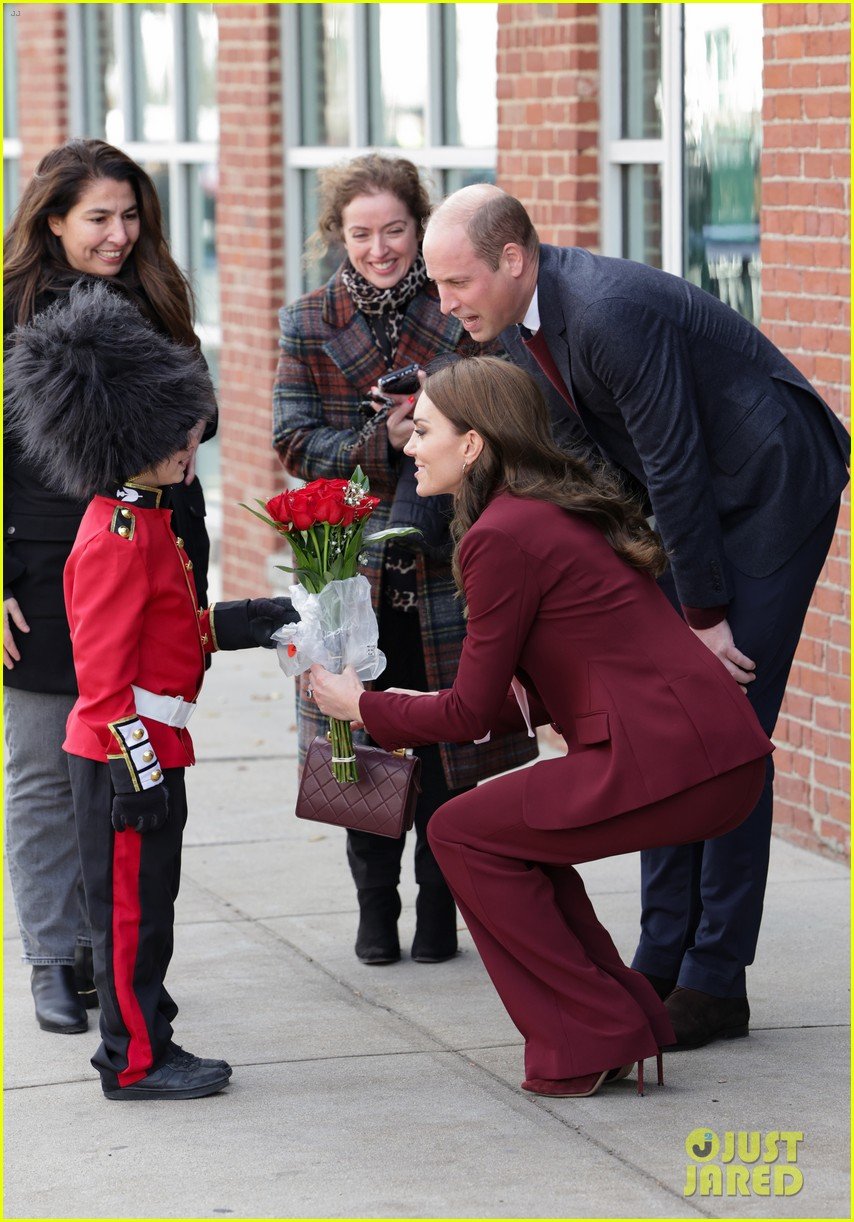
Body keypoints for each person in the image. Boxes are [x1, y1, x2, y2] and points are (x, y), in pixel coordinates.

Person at [420, 184, 850, 1049]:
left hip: (769, 487)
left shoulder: (610, 313)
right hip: (691, 504)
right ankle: (661, 954)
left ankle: (716, 979)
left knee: (725, 729)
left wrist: (704, 615)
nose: (445, 303)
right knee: (666, 730)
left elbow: (675, 465)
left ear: (512, 259)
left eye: (456, 281)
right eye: (438, 286)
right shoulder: (511, 323)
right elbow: (580, 455)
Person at [308, 356, 773, 1098]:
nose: (411, 445)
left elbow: (465, 713)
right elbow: (492, 702)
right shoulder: (539, 512)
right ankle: (617, 1025)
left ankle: (593, 1036)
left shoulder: (502, 535)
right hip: (709, 754)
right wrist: (382, 701)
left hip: (674, 760)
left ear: (473, 445)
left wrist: (361, 708)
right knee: (504, 838)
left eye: (424, 430)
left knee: (460, 831)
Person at [5, 279, 299, 1101]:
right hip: (124, 754)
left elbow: (165, 638)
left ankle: (149, 1023)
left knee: (149, 910)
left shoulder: (147, 518)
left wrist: (249, 619)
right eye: (176, 434)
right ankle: (133, 1062)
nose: (190, 444)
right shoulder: (116, 535)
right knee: (131, 916)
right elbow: (101, 684)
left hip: (147, 746)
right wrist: (135, 771)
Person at [273, 154, 536, 966]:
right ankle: (375, 906)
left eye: (395, 230)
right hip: (349, 564)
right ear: (336, 235)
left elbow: (512, 415)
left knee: (451, 743)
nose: (380, 248)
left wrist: (436, 419)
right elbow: (292, 442)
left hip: (449, 557)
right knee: (357, 744)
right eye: (361, 234)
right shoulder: (309, 319)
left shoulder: (458, 305)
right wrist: (374, 442)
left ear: (420, 227)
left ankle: (438, 911)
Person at [3, 138, 215, 1035]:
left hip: (154, 566)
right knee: (49, 770)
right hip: (41, 571)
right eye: (98, 217)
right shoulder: (10, 313)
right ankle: (55, 957)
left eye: (131, 216)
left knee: (129, 772)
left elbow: (196, 440)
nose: (119, 234)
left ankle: (108, 949)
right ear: (53, 220)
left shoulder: (161, 300)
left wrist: (194, 580)